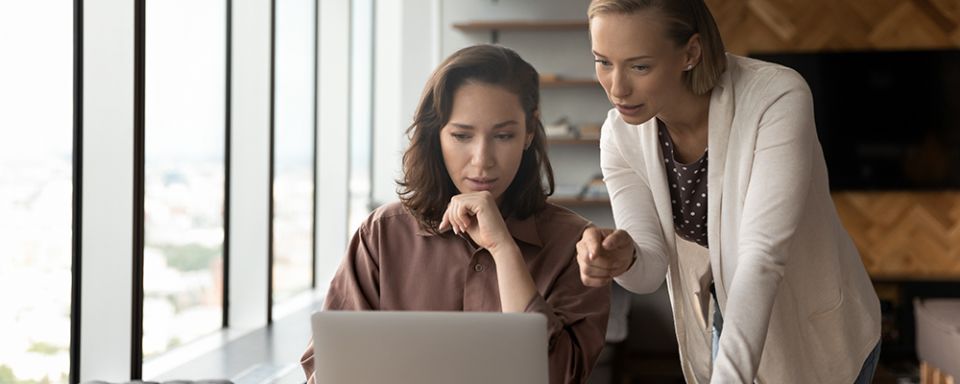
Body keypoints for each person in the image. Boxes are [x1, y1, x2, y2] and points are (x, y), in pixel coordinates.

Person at [575, 0, 882, 383]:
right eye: (603, 62)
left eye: (640, 66)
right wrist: (624, 258)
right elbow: (649, 271)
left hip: (819, 334)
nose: (616, 87)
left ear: (690, 52)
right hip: (734, 321)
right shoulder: (619, 136)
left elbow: (761, 256)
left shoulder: (776, 98)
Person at [299, 44, 610, 384]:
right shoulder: (381, 235)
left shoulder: (574, 245)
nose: (482, 160)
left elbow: (558, 377)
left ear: (529, 132)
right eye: (462, 136)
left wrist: (504, 250)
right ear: (436, 135)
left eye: (504, 135)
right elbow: (327, 369)